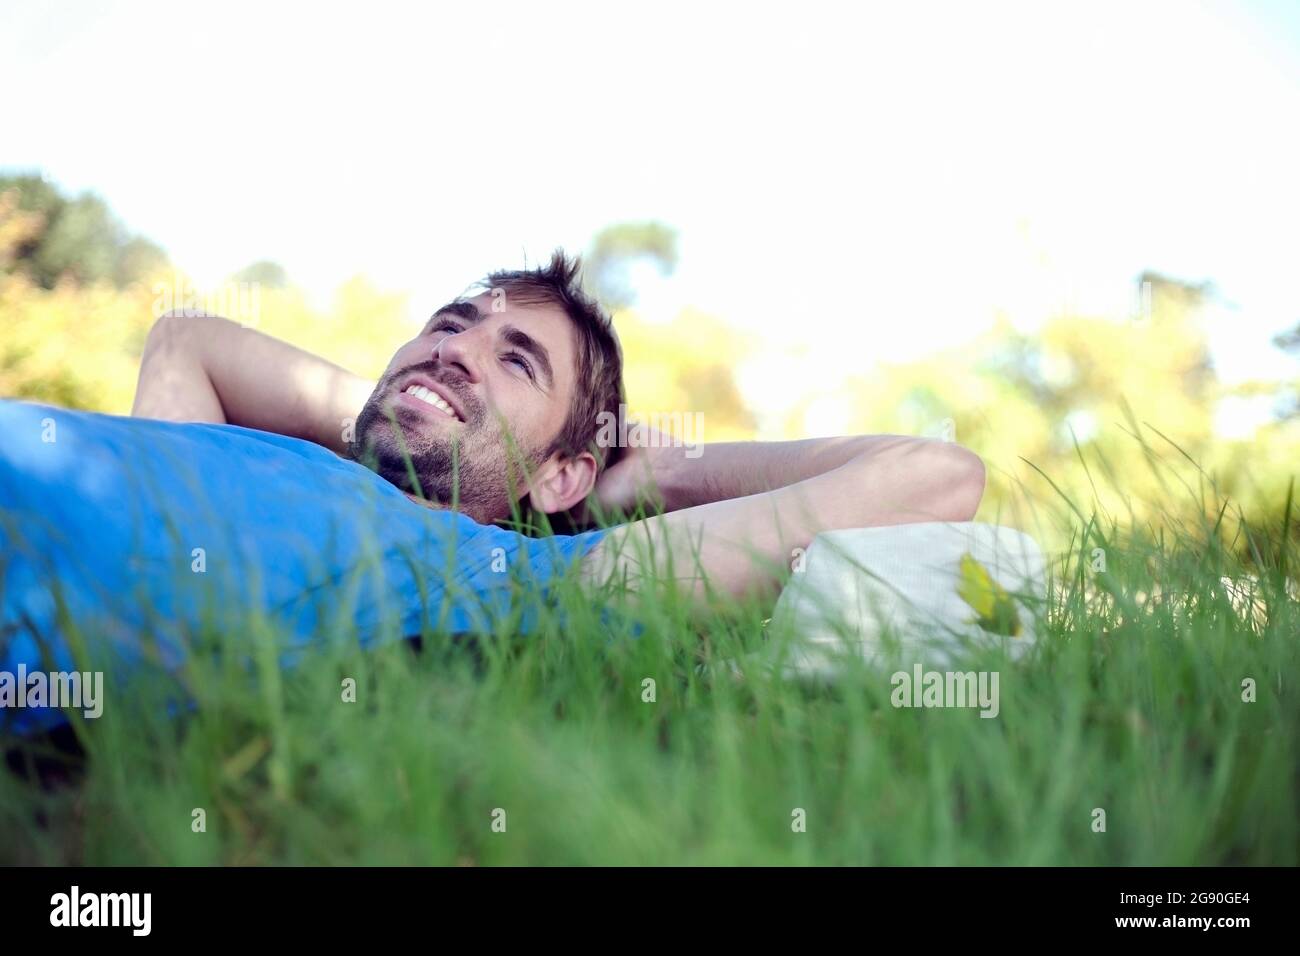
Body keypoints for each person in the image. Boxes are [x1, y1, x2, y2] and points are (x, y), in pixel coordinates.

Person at [0, 252, 983, 732]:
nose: (456, 346)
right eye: (448, 324)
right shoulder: (219, 446)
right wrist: (413, 402)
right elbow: (187, 339)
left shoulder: (510, 573)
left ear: (562, 473)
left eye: (514, 360)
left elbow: (932, 478)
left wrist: (638, 478)